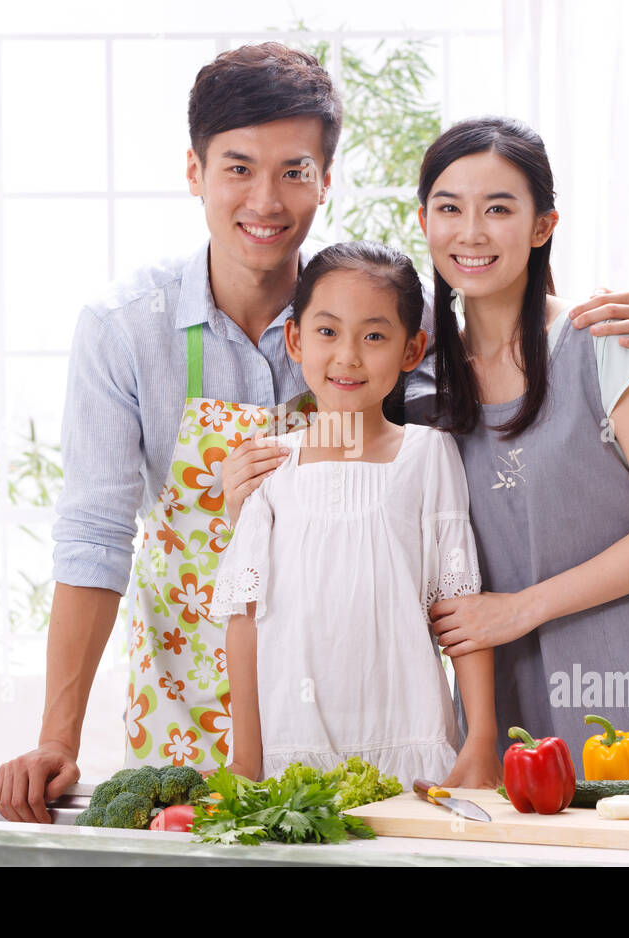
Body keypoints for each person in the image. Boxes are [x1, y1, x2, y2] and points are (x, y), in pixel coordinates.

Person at [0, 43, 629, 825]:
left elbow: (501, 340)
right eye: (237, 167)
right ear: (194, 171)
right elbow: (95, 537)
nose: (266, 200)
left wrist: (587, 326)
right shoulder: (125, 330)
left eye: (294, 171)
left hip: (362, 726)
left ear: (325, 180)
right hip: (185, 702)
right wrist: (58, 738)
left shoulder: (380, 321)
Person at [411, 117, 629, 784]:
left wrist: (517, 609)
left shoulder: (600, 340)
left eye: (500, 209)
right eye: (449, 208)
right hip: (523, 694)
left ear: (543, 225)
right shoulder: (423, 377)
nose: (472, 232)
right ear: (424, 219)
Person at [211, 241, 499, 788]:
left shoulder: (428, 454)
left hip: (410, 747)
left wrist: (481, 736)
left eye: (374, 336)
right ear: (295, 339)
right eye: (327, 332)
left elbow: (459, 606)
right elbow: (244, 621)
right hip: (291, 754)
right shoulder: (267, 466)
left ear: (411, 350)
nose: (347, 356)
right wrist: (245, 760)